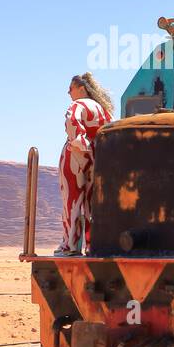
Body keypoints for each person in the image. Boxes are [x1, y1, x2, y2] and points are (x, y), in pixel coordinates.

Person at [57, 73, 114, 256]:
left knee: (72, 200)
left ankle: (70, 245)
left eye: (71, 88)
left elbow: (71, 121)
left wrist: (80, 144)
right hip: (96, 160)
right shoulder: (104, 111)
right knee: (92, 203)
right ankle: (92, 245)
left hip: (75, 157)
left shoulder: (78, 105)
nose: (68, 92)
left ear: (81, 88)